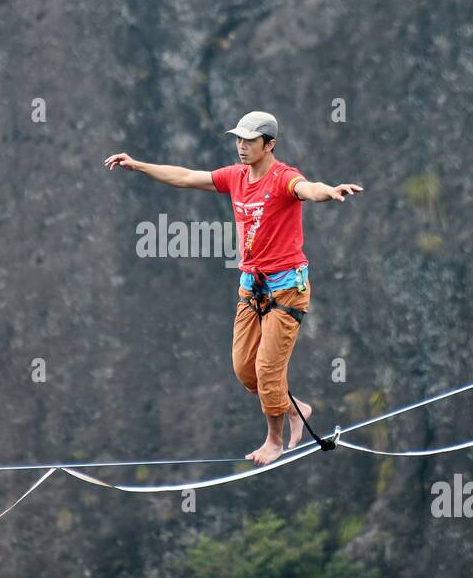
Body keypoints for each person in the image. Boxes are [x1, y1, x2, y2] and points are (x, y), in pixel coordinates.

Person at [105, 111, 363, 465]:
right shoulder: (235, 177)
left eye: (249, 141)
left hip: (287, 289)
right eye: (238, 140)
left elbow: (307, 189)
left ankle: (273, 440)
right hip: (252, 287)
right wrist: (138, 165)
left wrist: (329, 192)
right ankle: (294, 407)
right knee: (245, 370)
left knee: (267, 371)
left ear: (269, 144)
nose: (241, 147)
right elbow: (184, 177)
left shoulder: (282, 178)